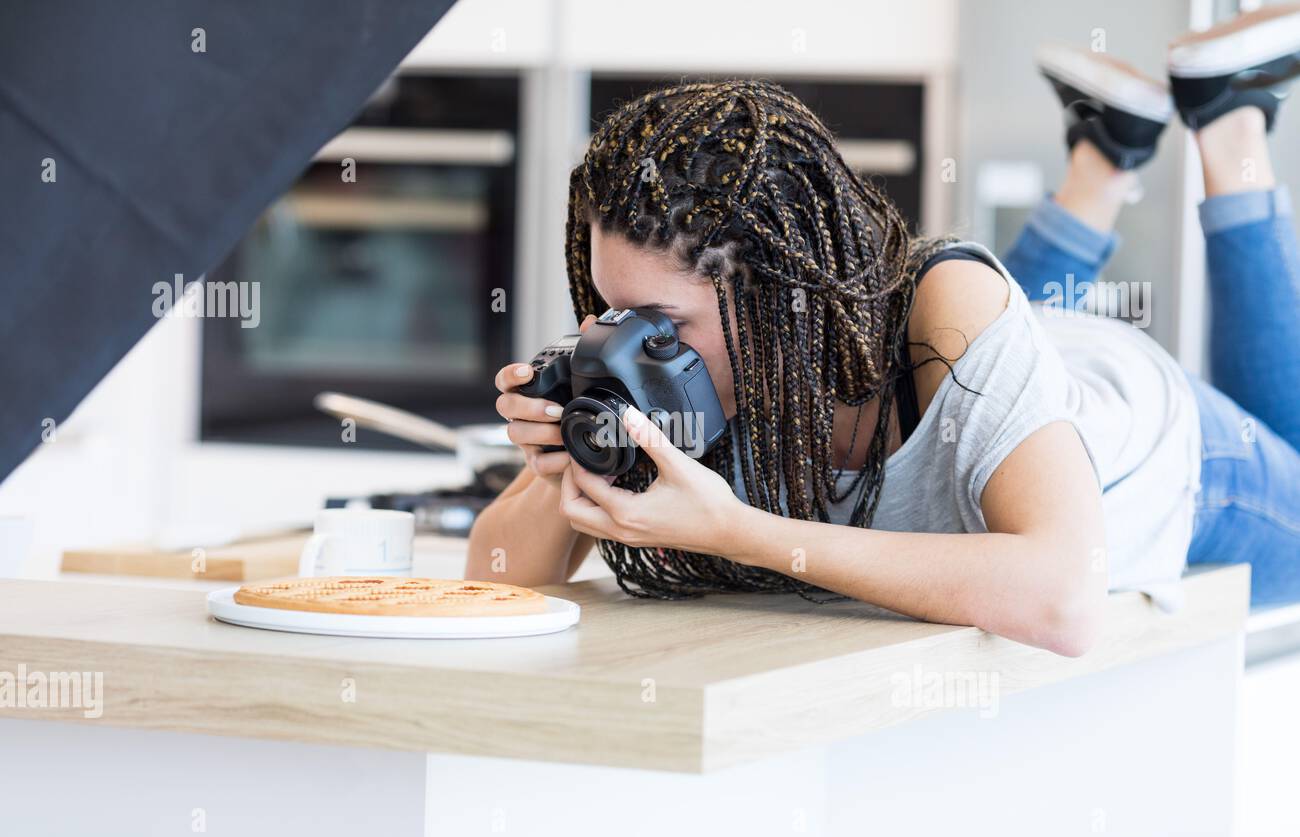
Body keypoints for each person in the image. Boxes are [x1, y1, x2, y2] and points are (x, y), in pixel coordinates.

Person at [467, 5, 1300, 656]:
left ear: (782, 295)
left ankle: (1229, 127)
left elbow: (1064, 598)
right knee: (961, 354)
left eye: (664, 323)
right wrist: (565, 458)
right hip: (998, 355)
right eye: (611, 310)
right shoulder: (704, 368)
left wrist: (737, 531)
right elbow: (492, 579)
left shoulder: (947, 309)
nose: (628, 343)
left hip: (1145, 431)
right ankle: (1107, 156)